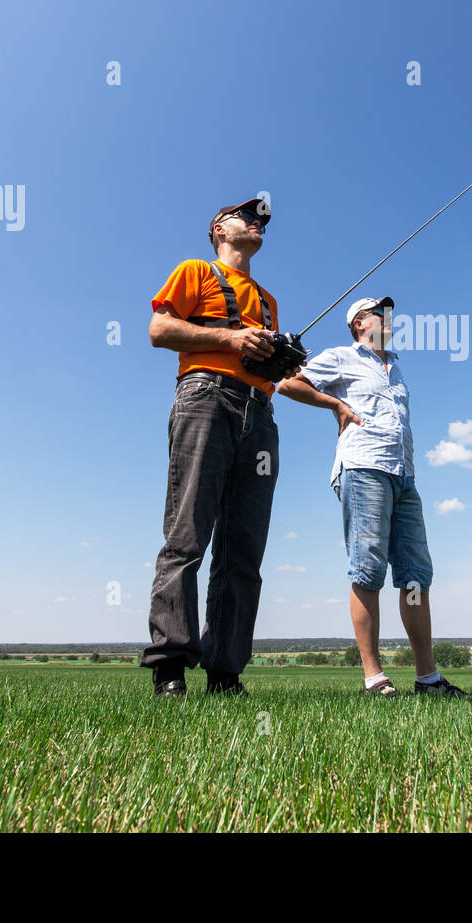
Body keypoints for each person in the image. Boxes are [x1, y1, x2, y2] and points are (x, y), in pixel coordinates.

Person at [140, 198, 299, 697]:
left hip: (260, 414)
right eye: (246, 215)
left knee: (244, 549)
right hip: (206, 397)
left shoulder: (269, 301)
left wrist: (281, 359)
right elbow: (160, 330)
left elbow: (271, 367)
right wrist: (230, 342)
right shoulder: (196, 271)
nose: (257, 222)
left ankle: (225, 671)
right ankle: (170, 666)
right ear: (218, 229)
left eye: (263, 220)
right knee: (187, 535)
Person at [277, 296, 468, 698]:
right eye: (380, 313)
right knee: (367, 569)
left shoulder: (395, 368)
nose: (389, 318)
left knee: (416, 575)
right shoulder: (342, 357)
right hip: (363, 467)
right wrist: (336, 404)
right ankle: (373, 677)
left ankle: (427, 678)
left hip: (404, 475)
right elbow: (288, 383)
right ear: (360, 322)